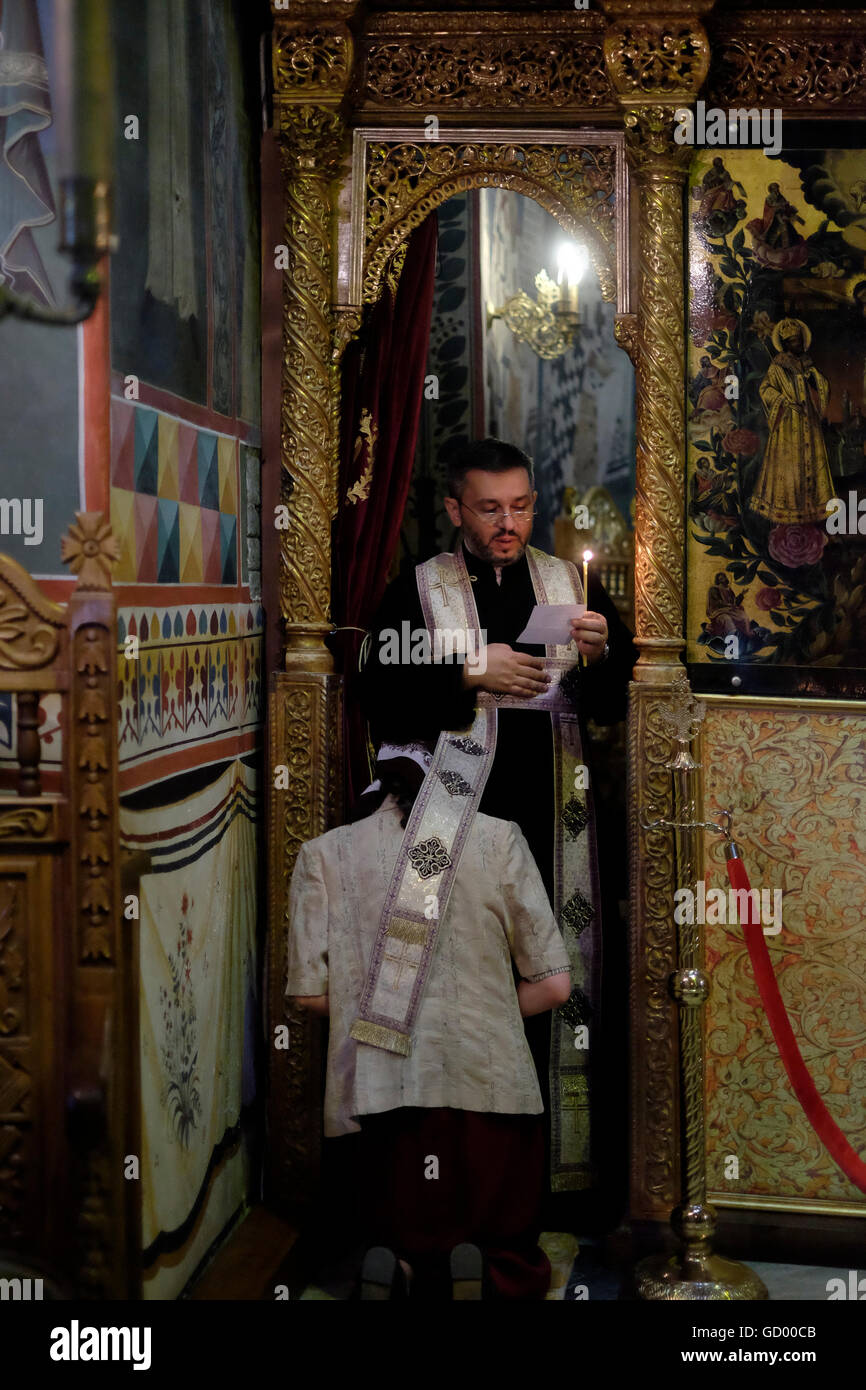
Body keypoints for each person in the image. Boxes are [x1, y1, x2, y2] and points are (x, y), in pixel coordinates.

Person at [358, 437, 636, 1210]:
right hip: (458, 826)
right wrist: (466, 675)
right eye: (489, 509)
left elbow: (614, 697)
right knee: (462, 991)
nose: (507, 522)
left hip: (557, 822)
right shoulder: (421, 590)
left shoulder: (562, 582)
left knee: (554, 983)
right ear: (455, 510)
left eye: (519, 506)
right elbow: (376, 689)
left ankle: (559, 1185)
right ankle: (453, 1188)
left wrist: (606, 651)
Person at [286, 743, 571, 1300]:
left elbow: (308, 995)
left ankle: (397, 1266)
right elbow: (555, 985)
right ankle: (485, 1270)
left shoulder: (323, 853)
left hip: (379, 1110)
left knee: (379, 1223)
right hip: (488, 1105)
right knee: (500, 1236)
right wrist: (479, 1010)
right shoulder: (497, 838)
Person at [749, 318, 833, 524]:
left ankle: (813, 508)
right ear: (786, 344)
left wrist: (813, 378)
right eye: (794, 341)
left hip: (808, 420)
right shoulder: (777, 366)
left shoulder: (807, 364)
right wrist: (782, 399)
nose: (799, 345)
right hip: (787, 422)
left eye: (800, 340)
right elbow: (765, 389)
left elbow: (822, 385)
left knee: (812, 459)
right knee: (789, 464)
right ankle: (786, 510)